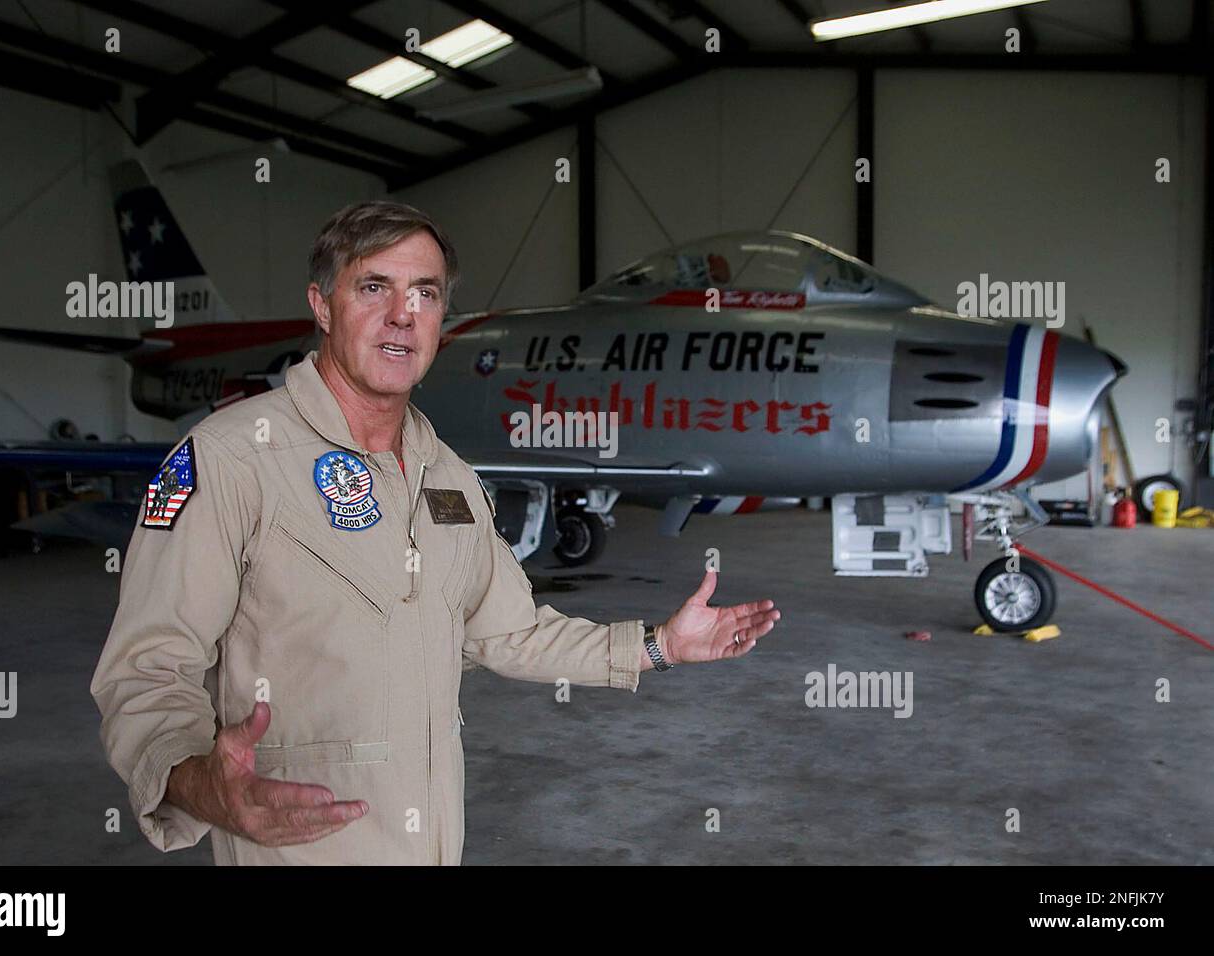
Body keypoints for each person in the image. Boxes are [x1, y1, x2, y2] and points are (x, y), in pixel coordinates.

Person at [91, 200, 780, 864]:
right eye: (373, 287)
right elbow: (147, 667)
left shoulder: (448, 476)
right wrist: (197, 783)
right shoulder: (231, 457)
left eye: (425, 292)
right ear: (321, 305)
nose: (402, 314)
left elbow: (508, 633)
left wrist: (658, 646)